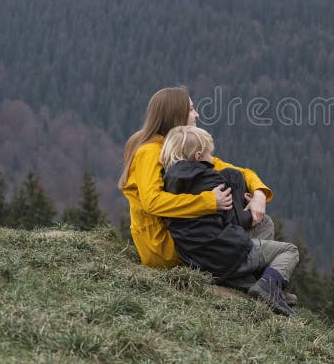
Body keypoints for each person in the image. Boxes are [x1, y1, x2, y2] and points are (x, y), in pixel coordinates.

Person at [118, 86, 274, 269]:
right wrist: (209, 202)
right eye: (191, 109)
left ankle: (259, 276)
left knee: (256, 215)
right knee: (260, 224)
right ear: (175, 115)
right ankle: (256, 276)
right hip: (164, 247)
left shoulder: (178, 147)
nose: (197, 115)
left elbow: (237, 171)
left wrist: (259, 194)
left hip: (184, 236)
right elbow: (152, 201)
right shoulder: (150, 152)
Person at [160, 125, 299, 316]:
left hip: (197, 258)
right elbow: (234, 221)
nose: (212, 160)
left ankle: (259, 283)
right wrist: (248, 210)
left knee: (265, 222)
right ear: (199, 156)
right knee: (289, 251)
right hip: (225, 255)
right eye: (210, 154)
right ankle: (268, 286)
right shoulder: (210, 181)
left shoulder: (169, 182)